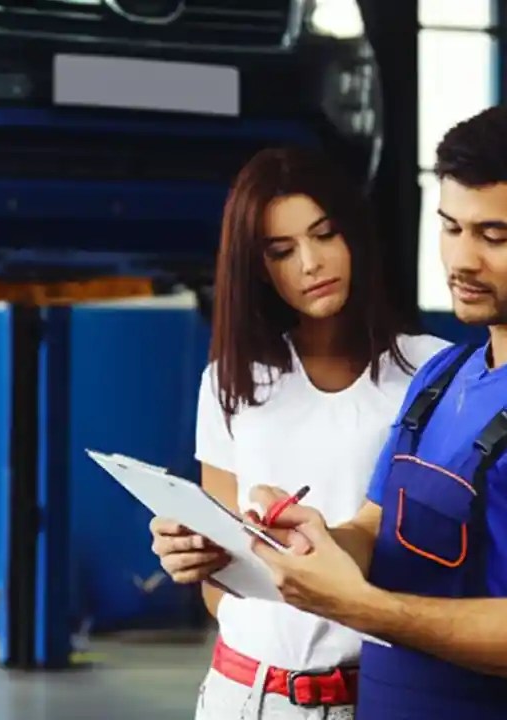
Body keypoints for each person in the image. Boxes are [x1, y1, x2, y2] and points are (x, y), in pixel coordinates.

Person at [167, 105, 507, 718]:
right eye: (450, 228)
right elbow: (376, 530)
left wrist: (358, 606)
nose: (462, 260)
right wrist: (307, 540)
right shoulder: (446, 376)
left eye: (494, 236)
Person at [149, 146, 449, 719]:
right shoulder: (231, 382)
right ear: (257, 268)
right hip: (245, 697)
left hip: (380, 695)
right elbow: (221, 582)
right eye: (282, 251)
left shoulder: (432, 372)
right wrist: (191, 556)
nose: (310, 263)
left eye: (324, 234)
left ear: (354, 235)